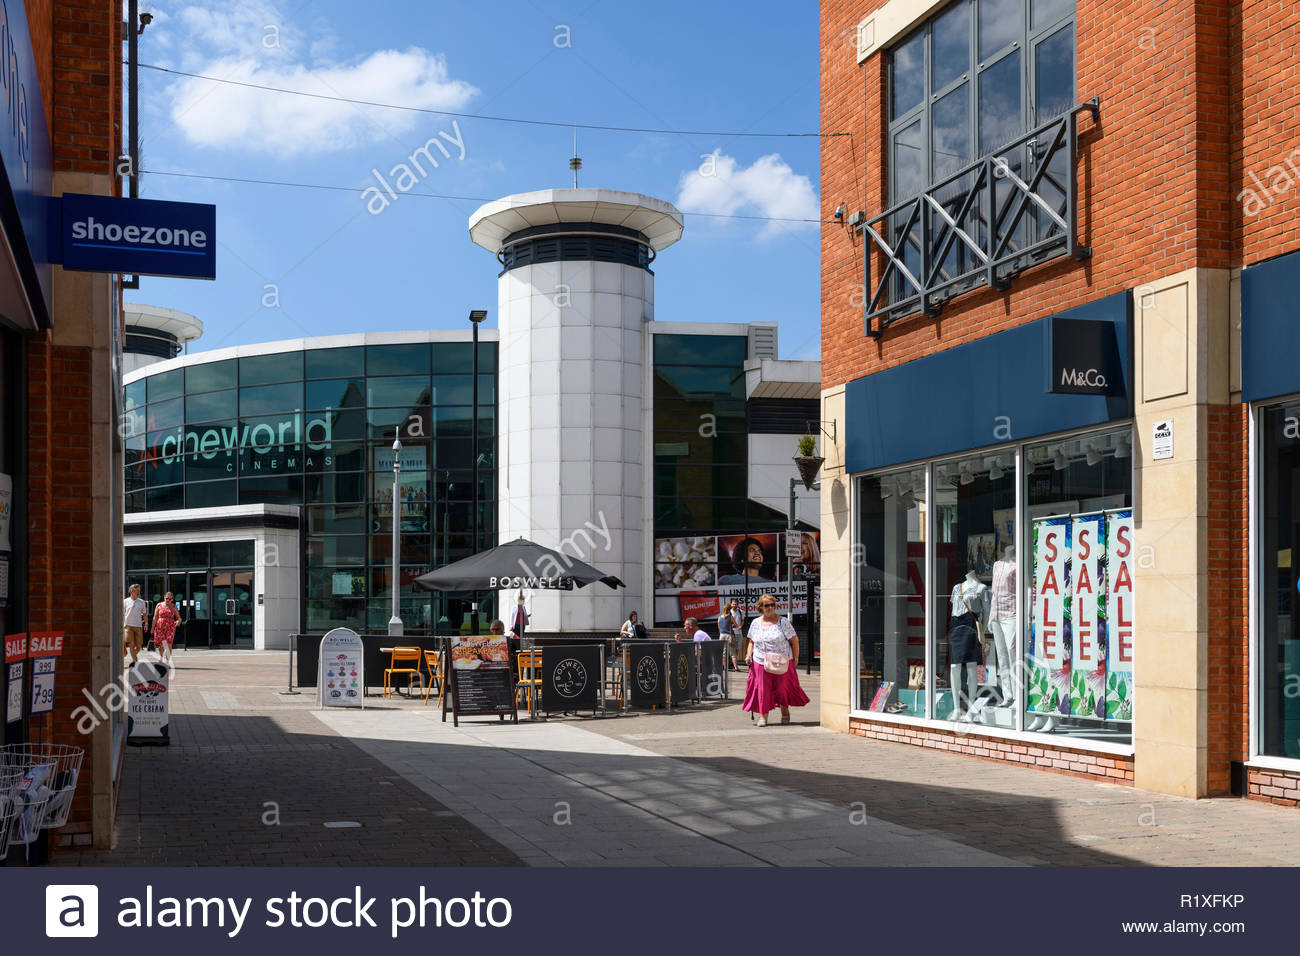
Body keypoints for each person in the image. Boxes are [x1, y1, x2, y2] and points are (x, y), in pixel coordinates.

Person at [743, 593, 810, 727]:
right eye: (767, 605)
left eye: (772, 605)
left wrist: (796, 658)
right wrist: (748, 655)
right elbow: (751, 642)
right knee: (763, 689)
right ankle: (763, 716)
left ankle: (784, 710)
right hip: (760, 660)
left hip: (782, 661)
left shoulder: (783, 622)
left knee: (782, 688)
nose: (770, 608)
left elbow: (795, 640)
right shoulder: (755, 623)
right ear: (760, 607)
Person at [151, 591, 179, 664]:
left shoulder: (173, 606)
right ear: (164, 598)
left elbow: (179, 618)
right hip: (160, 627)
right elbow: (155, 617)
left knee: (169, 643)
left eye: (170, 599)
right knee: (161, 645)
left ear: (172, 599)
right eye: (167, 598)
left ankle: (167, 661)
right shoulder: (159, 605)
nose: (168, 600)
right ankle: (161, 657)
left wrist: (178, 621)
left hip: (170, 627)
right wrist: (152, 628)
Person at [122, 583, 147, 665]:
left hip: (138, 626)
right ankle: (134, 661)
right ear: (132, 591)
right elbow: (122, 614)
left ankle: (134, 655)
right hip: (128, 625)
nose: (139, 592)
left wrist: (146, 623)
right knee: (132, 644)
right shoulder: (125, 601)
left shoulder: (142, 602)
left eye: (139, 590)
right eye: (137, 590)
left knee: (139, 646)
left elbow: (144, 614)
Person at [718, 600, 743, 670]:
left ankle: (725, 667)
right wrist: (734, 626)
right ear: (729, 609)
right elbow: (736, 625)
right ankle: (736, 667)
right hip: (729, 635)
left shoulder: (719, 617)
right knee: (733, 652)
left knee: (723, 652)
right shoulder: (730, 617)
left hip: (721, 635)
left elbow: (719, 628)